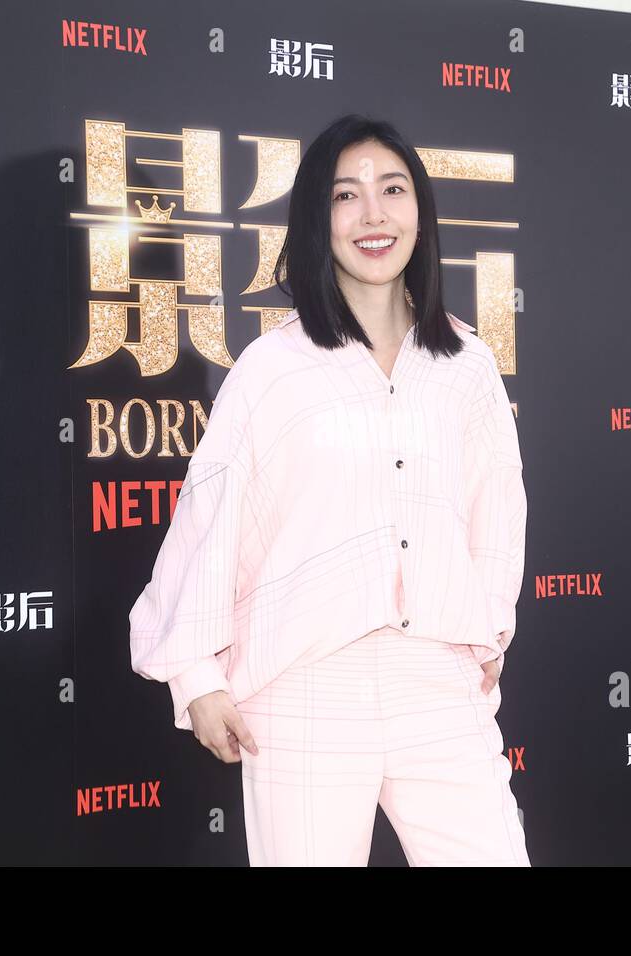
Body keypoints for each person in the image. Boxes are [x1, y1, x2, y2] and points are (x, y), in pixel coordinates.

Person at [129, 114, 529, 866]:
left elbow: (495, 513)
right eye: (347, 195)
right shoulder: (272, 367)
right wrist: (195, 675)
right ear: (319, 218)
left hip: (437, 675)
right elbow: (213, 521)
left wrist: (488, 628)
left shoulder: (467, 363)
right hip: (305, 684)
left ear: (421, 212)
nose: (373, 214)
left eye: (392, 190)